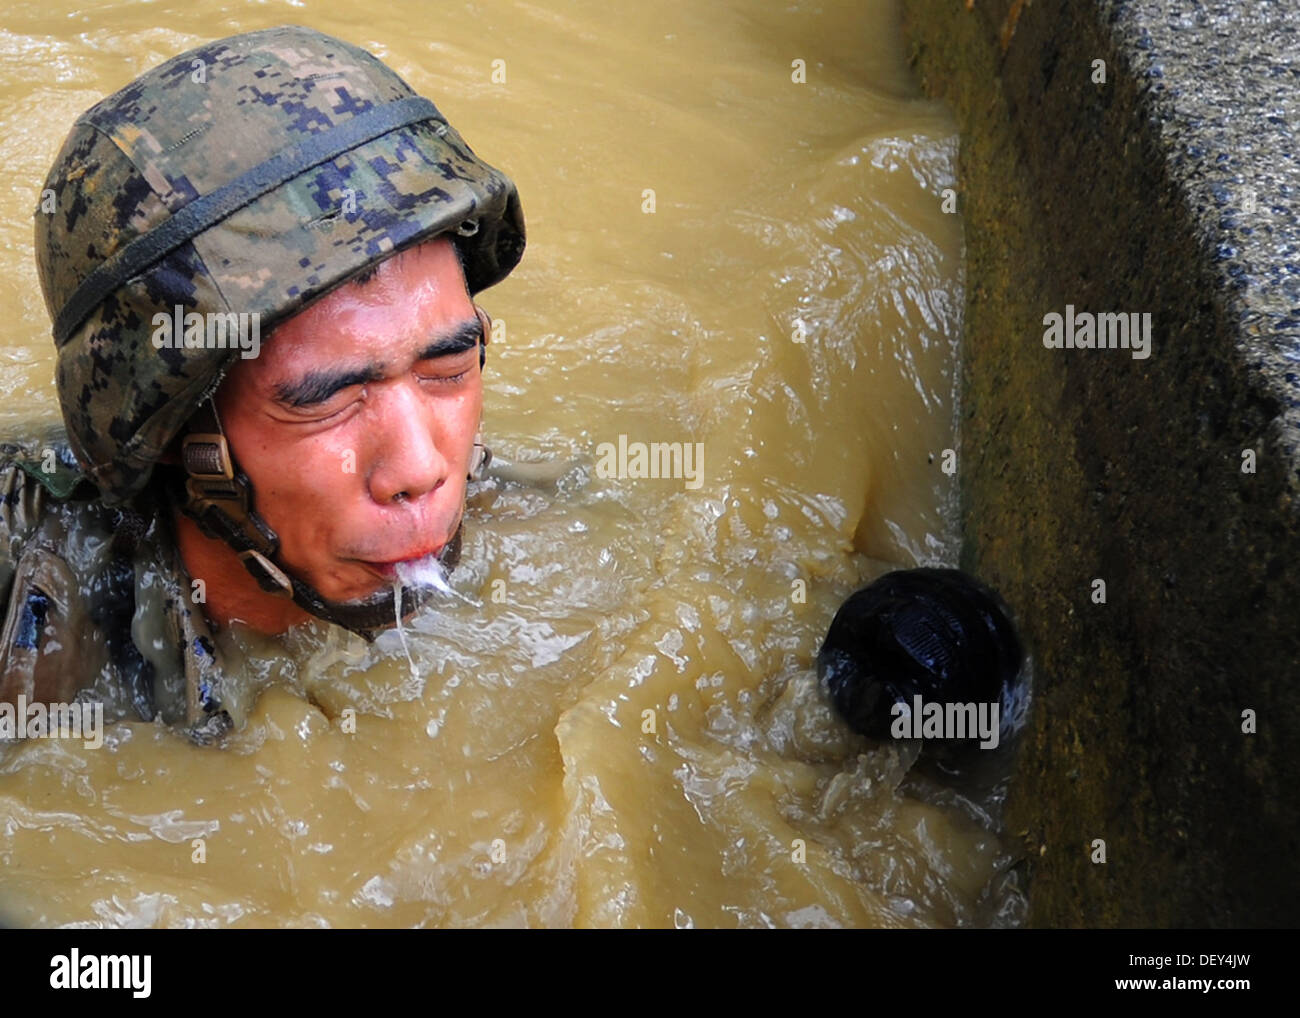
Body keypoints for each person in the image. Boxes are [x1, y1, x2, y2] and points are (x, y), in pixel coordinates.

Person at [0, 25, 525, 742]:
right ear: (170, 429)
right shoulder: (34, 607)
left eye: (448, 369)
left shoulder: (541, 525)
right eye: (328, 400)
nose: (421, 469)